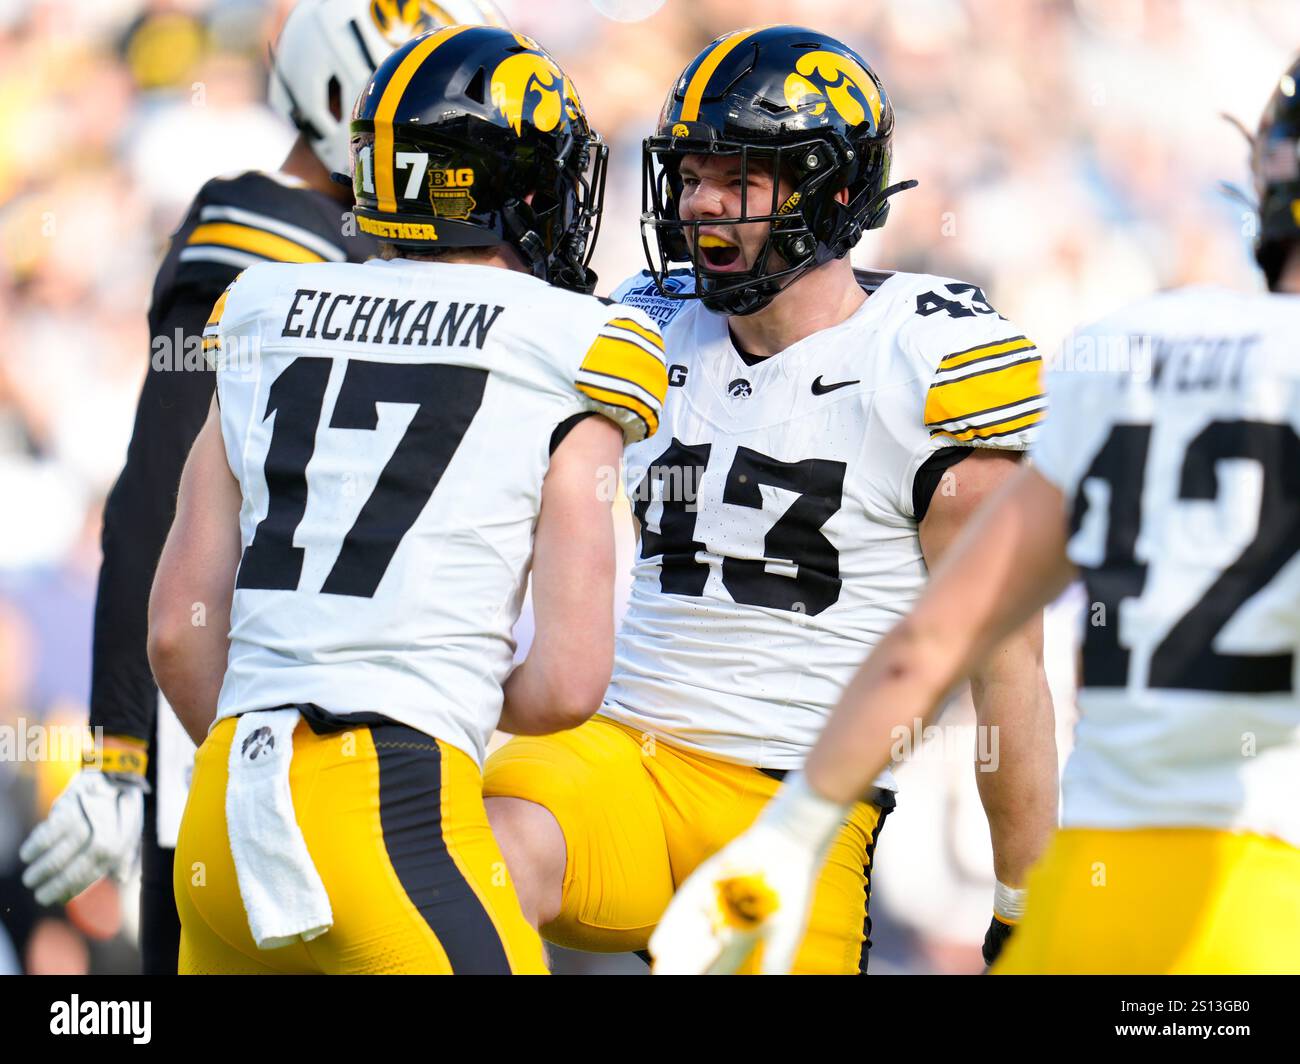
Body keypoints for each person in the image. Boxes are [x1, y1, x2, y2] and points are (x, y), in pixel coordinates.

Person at [652, 56, 1300, 976]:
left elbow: (939, 638)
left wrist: (788, 835)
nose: (704, 204)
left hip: (1095, 896)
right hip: (1266, 902)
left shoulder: (1127, 350)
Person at [484, 24, 1059, 975]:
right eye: (692, 174)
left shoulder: (928, 364)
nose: (702, 205)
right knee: (481, 862)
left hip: (793, 807)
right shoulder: (646, 319)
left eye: (740, 180)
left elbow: (1009, 671)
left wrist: (1021, 902)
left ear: (834, 192)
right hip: (613, 757)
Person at [145, 23, 666, 975]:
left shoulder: (264, 310)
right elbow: (568, 681)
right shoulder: (577, 342)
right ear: (514, 190)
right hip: (391, 799)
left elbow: (177, 633)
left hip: (223, 806)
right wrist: (432, 693)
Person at [18, 0, 505, 975]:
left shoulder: (385, 246)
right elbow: (155, 494)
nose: (454, 152)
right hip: (233, 729)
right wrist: (121, 747)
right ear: (342, 100)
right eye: (428, 117)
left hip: (347, 733)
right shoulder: (258, 243)